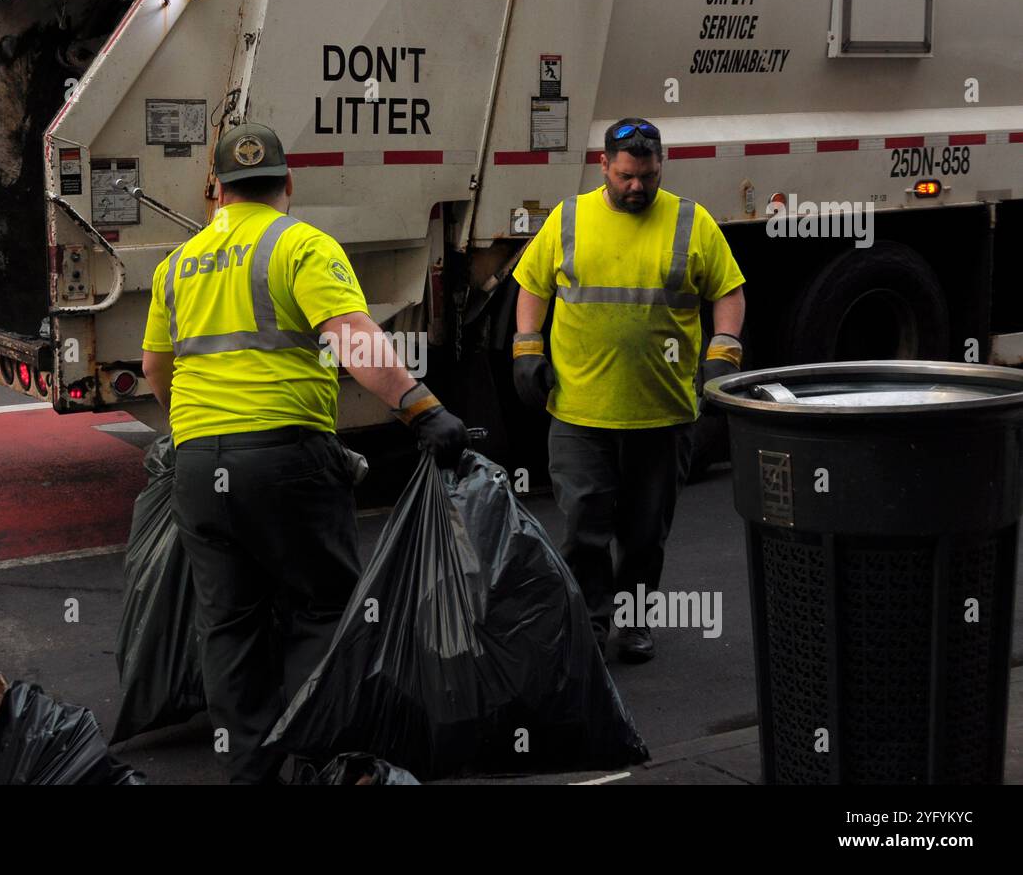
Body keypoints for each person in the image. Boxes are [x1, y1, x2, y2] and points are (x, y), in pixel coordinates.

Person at [140, 122, 468, 782]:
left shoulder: (179, 262)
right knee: (319, 610)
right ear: (288, 183)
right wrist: (421, 408)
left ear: (219, 191)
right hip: (285, 459)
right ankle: (322, 762)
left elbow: (156, 367)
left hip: (202, 468)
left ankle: (251, 773)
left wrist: (194, 429)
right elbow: (352, 338)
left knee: (229, 625)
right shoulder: (303, 245)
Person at [510, 117, 746, 663]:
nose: (636, 186)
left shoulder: (691, 222)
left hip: (660, 415)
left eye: (647, 175)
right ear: (603, 169)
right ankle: (589, 623)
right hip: (579, 412)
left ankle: (635, 623)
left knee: (643, 536)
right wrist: (527, 347)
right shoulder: (570, 218)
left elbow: (728, 291)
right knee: (584, 528)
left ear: (660, 167)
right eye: (625, 177)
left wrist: (724, 349)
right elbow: (531, 284)